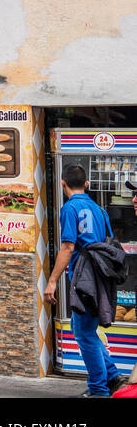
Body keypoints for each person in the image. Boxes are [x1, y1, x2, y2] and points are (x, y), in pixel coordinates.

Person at [45, 162, 127, 397]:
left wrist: (52, 281)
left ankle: (98, 390)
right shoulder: (99, 209)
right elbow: (107, 241)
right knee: (84, 329)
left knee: (84, 333)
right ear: (87, 184)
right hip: (101, 275)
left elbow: (68, 246)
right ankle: (112, 376)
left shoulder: (70, 208)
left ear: (63, 184)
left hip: (84, 277)